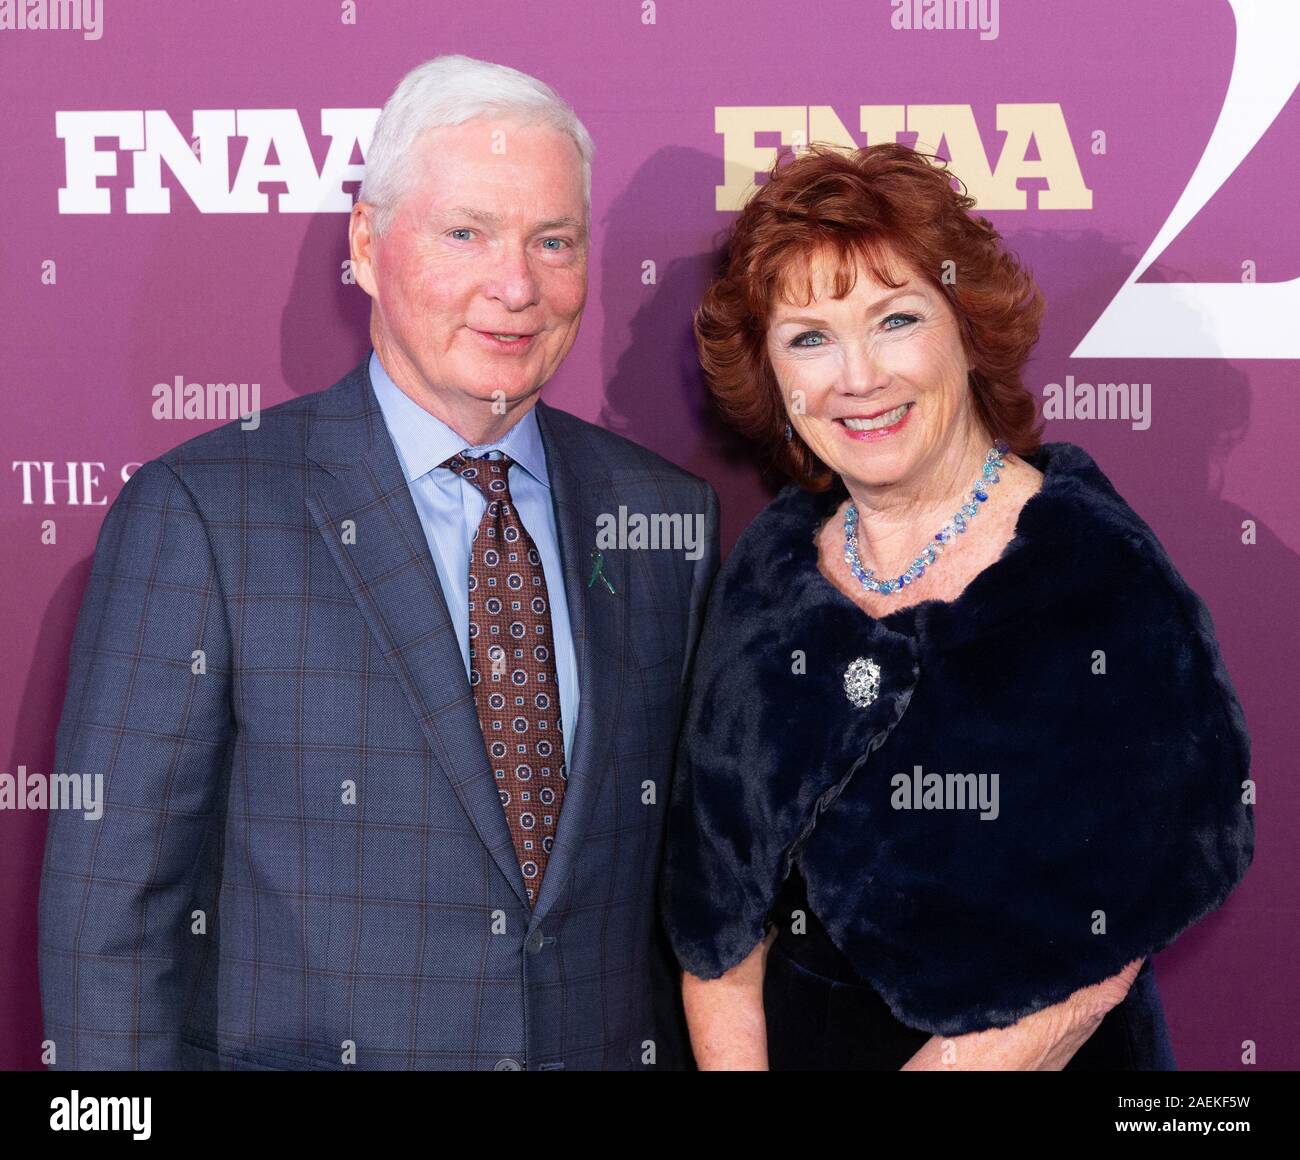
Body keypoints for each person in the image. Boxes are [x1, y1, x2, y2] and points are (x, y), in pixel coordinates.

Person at [38, 54, 718, 1071]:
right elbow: (109, 917)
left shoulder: (665, 519)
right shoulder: (207, 511)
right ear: (366, 243)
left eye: (553, 240)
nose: (516, 285)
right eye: (466, 233)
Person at [661, 142, 1254, 1070]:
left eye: (894, 320)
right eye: (809, 337)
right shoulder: (769, 569)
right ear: (774, 379)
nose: (857, 376)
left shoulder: (1094, 571)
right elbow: (717, 913)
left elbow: (1113, 930)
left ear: (965, 330)